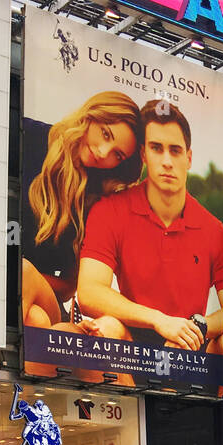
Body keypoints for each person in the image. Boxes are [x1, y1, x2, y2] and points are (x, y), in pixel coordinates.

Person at [77, 101, 223, 358]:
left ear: (188, 158)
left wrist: (196, 327)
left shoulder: (214, 229)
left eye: (175, 150)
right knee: (105, 328)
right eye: (157, 149)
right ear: (144, 154)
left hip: (189, 344)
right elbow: (89, 292)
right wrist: (160, 321)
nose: (167, 161)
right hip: (133, 340)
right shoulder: (110, 211)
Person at [22, 92, 142, 346]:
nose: (103, 152)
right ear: (91, 116)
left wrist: (29, 278)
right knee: (36, 319)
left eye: (117, 155)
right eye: (106, 134)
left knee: (22, 273)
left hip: (47, 297)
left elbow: (69, 286)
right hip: (1, 293)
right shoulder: (28, 136)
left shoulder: (98, 197)